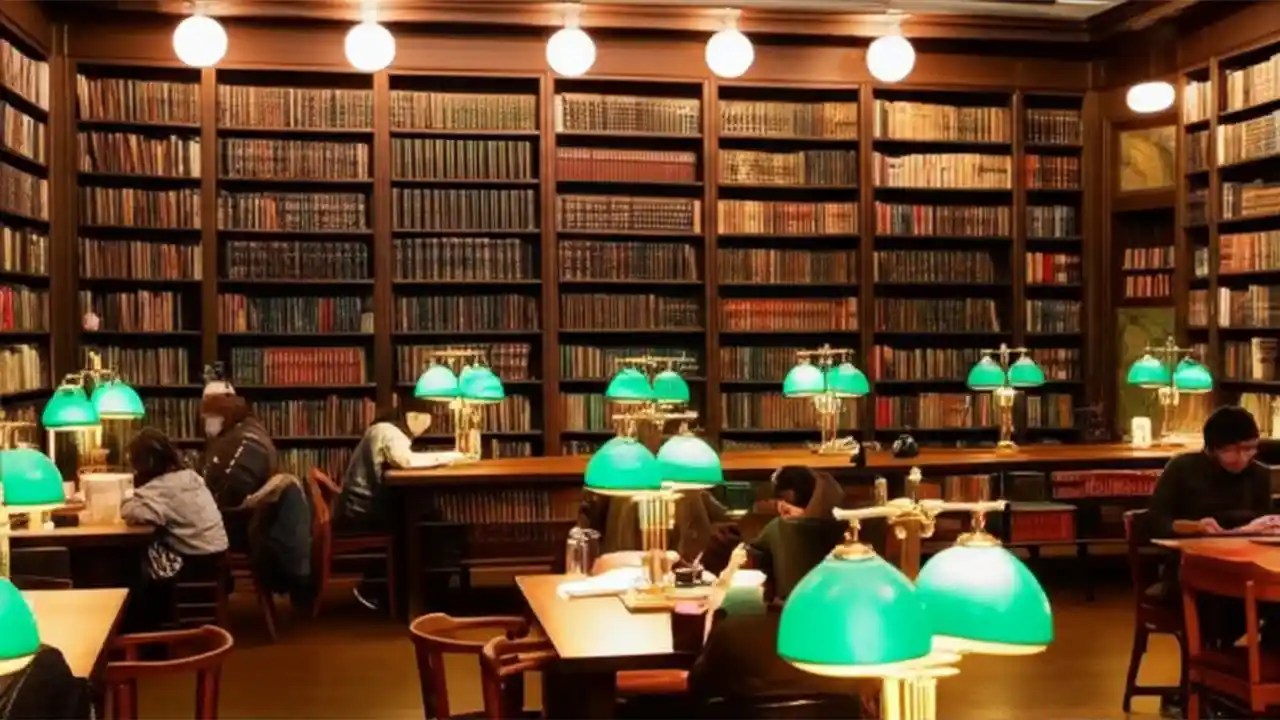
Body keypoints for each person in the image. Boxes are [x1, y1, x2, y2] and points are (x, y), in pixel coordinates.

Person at [333, 398, 462, 609]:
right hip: (364, 512)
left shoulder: (382, 429)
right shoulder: (388, 431)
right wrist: (451, 457)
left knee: (430, 518)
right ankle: (423, 595)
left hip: (362, 506)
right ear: (415, 417)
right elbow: (407, 461)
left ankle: (412, 591)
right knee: (432, 525)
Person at [121, 428, 229, 631]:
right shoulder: (190, 476)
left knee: (135, 562)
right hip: (216, 557)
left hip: (194, 562)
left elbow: (130, 511)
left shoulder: (162, 487)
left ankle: (142, 627)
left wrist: (132, 493)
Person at [1147, 405, 1271, 539]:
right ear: (1211, 450)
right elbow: (1155, 522)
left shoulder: (1259, 474)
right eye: (1230, 450)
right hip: (1190, 551)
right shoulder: (1182, 468)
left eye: (1248, 449)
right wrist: (1195, 527)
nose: (1241, 458)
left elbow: (1266, 519)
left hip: (1246, 551)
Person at [744, 466, 850, 600]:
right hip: (832, 593)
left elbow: (751, 549)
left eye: (784, 499)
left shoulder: (781, 526)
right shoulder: (842, 518)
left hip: (792, 596)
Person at [200, 392, 277, 510]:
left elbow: (233, 490)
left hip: (242, 519)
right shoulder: (240, 434)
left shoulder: (248, 442)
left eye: (210, 416)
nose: (207, 423)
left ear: (225, 415)